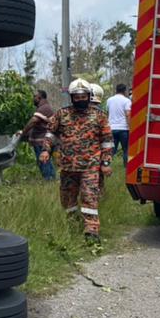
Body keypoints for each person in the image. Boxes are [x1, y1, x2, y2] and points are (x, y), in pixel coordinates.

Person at [40, 79, 113, 236]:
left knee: (89, 196)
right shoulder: (62, 114)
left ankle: (91, 231)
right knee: (68, 199)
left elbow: (107, 141)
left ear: (89, 96)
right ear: (72, 97)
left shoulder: (99, 116)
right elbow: (50, 133)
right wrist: (46, 150)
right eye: (77, 97)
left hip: (91, 166)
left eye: (83, 96)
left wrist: (106, 162)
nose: (80, 99)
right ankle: (73, 226)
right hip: (68, 166)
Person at [17, 89, 56, 180]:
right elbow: (38, 126)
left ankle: (49, 179)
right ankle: (50, 179)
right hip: (42, 141)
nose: (33, 98)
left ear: (39, 97)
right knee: (44, 161)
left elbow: (33, 122)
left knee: (44, 161)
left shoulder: (43, 108)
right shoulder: (44, 108)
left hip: (42, 141)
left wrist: (23, 132)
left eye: (34, 96)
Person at [106, 83, 131, 165]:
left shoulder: (109, 100)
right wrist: (130, 126)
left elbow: (108, 113)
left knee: (112, 149)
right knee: (125, 149)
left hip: (112, 128)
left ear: (116, 90)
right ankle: (126, 167)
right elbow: (128, 114)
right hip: (123, 129)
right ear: (124, 91)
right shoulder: (126, 101)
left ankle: (107, 165)